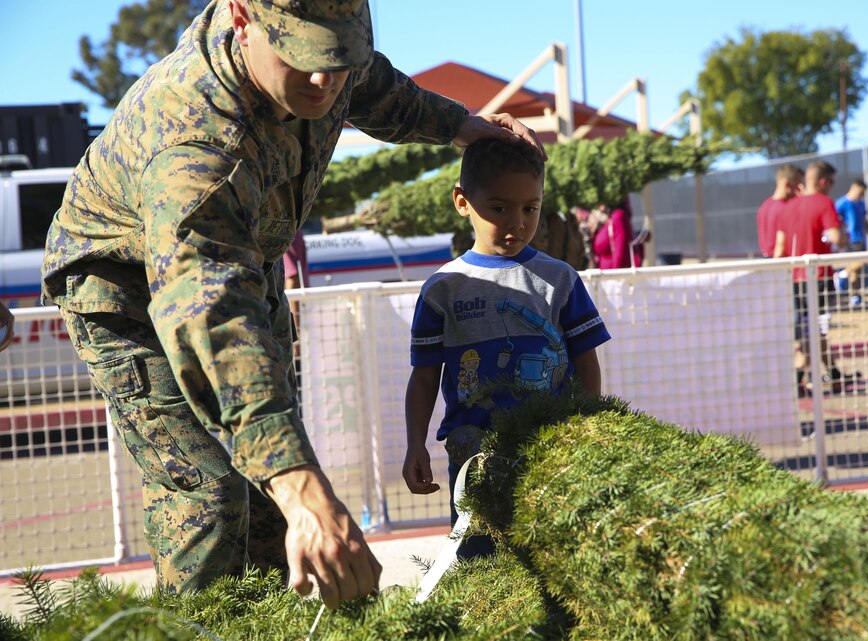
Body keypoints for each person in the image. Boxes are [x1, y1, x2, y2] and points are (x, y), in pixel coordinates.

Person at [40, 0, 544, 607]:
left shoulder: (328, 58)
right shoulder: (196, 141)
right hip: (125, 291)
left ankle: (266, 620)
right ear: (241, 18)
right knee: (207, 494)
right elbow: (211, 314)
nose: (323, 82)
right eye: (304, 61)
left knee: (271, 510)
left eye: (338, 60)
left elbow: (377, 88)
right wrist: (304, 489)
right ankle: (195, 623)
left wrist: (464, 127)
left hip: (244, 260)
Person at [402, 138, 611, 558]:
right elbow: (424, 376)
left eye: (529, 208)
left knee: (553, 553)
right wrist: (414, 444)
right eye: (499, 208)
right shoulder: (442, 288)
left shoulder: (562, 279)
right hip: (471, 452)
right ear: (463, 202)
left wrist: (587, 430)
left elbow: (587, 363)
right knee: (480, 559)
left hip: (551, 447)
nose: (516, 222)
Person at [773, 160, 857, 395]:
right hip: (818, 276)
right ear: (822, 181)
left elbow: (780, 249)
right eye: (831, 182)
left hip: (795, 278)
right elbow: (836, 237)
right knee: (814, 328)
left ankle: (830, 371)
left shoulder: (788, 207)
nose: (831, 187)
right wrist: (841, 235)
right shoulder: (824, 203)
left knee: (810, 328)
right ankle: (801, 374)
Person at [834, 179, 868, 306]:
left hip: (861, 238)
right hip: (850, 239)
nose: (861, 195)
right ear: (854, 188)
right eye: (860, 192)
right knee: (859, 263)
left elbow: (864, 220)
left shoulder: (860, 203)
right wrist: (840, 234)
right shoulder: (842, 203)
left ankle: (854, 295)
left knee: (857, 271)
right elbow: (834, 219)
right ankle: (841, 275)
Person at [756, 164, 804, 258]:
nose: (800, 189)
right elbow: (781, 247)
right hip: (780, 261)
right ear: (787, 184)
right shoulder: (786, 208)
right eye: (798, 185)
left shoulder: (764, 206)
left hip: (766, 259)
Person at [590, 200, 645, 269]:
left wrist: (615, 276)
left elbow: (620, 253)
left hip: (615, 276)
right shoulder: (606, 221)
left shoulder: (618, 216)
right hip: (605, 275)